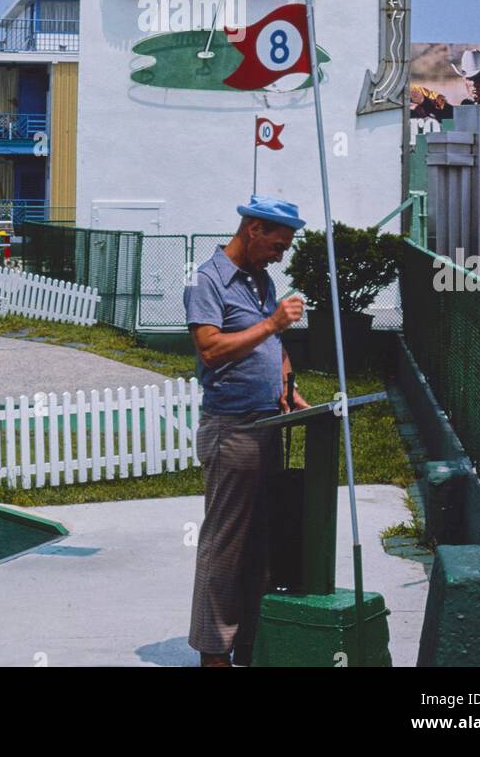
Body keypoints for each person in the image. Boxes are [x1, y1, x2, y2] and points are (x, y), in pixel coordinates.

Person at [184, 195, 309, 669]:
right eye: (277, 245)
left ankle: (250, 643)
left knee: (261, 542)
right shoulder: (207, 279)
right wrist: (273, 322)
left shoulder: (260, 279)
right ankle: (214, 651)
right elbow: (211, 348)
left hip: (267, 423)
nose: (280, 255)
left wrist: (286, 383)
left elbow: (272, 344)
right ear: (253, 229)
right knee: (226, 543)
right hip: (232, 430)